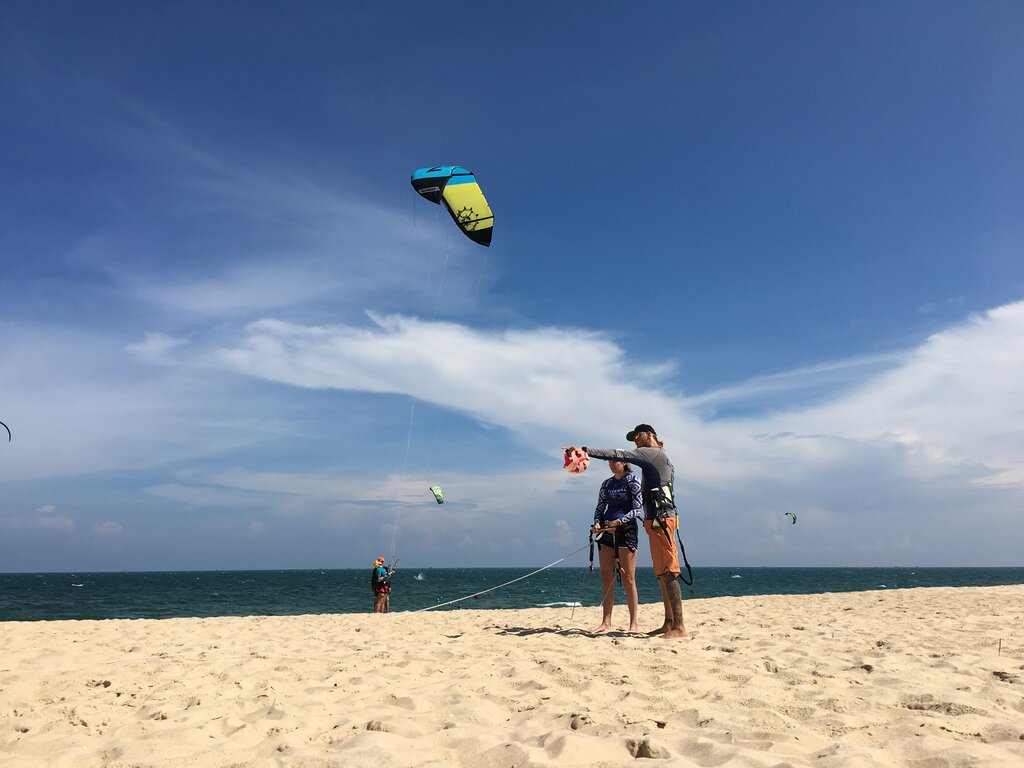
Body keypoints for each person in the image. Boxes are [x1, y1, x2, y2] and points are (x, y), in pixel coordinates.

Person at [570, 424, 688, 639]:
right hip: (655, 520)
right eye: (632, 437)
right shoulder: (654, 459)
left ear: (649, 435)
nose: (635, 440)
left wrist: (584, 450)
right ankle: (668, 623)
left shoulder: (652, 453)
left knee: (669, 570)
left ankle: (679, 627)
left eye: (637, 435)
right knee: (662, 572)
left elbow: (617, 453)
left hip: (662, 519)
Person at [591, 459, 643, 633]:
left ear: (625, 463)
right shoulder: (606, 484)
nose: (612, 464)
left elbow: (638, 508)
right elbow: (600, 507)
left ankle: (633, 623)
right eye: (610, 462)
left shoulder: (632, 480)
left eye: (616, 461)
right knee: (607, 576)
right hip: (606, 529)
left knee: (628, 577)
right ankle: (606, 622)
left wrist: (620, 521)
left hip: (626, 530)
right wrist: (597, 523)